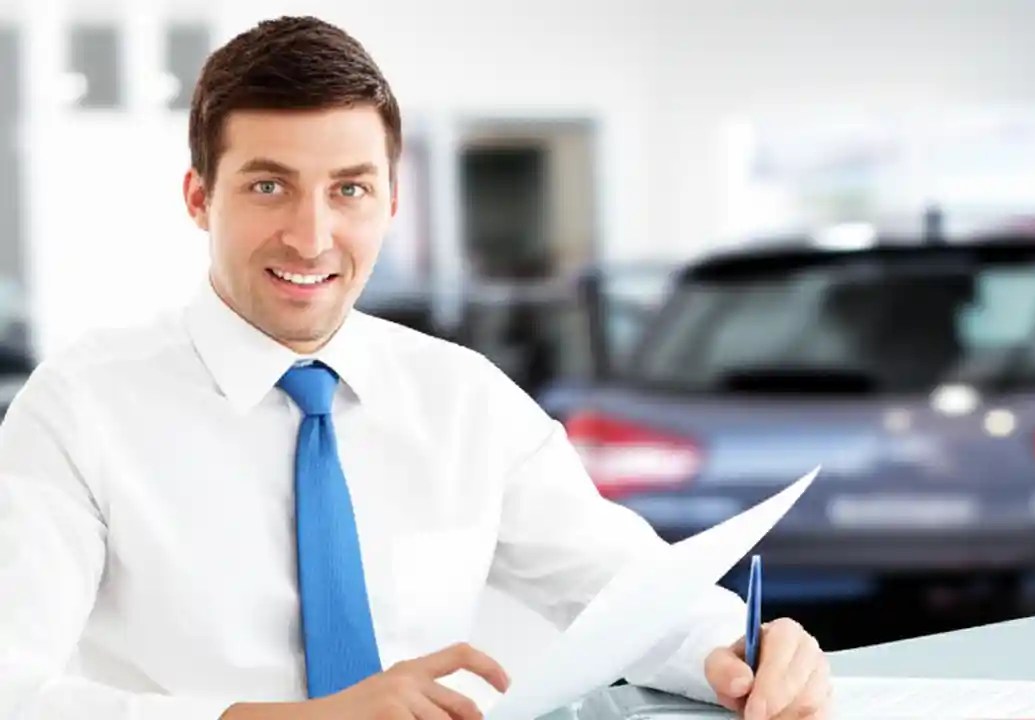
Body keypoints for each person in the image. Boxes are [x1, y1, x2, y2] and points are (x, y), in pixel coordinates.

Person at [0, 16, 830, 720]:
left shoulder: (463, 399)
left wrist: (737, 648)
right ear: (197, 198)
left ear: (393, 200)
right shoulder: (81, 407)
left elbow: (625, 589)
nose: (312, 235)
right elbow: (14, 687)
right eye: (267, 187)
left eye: (350, 190)